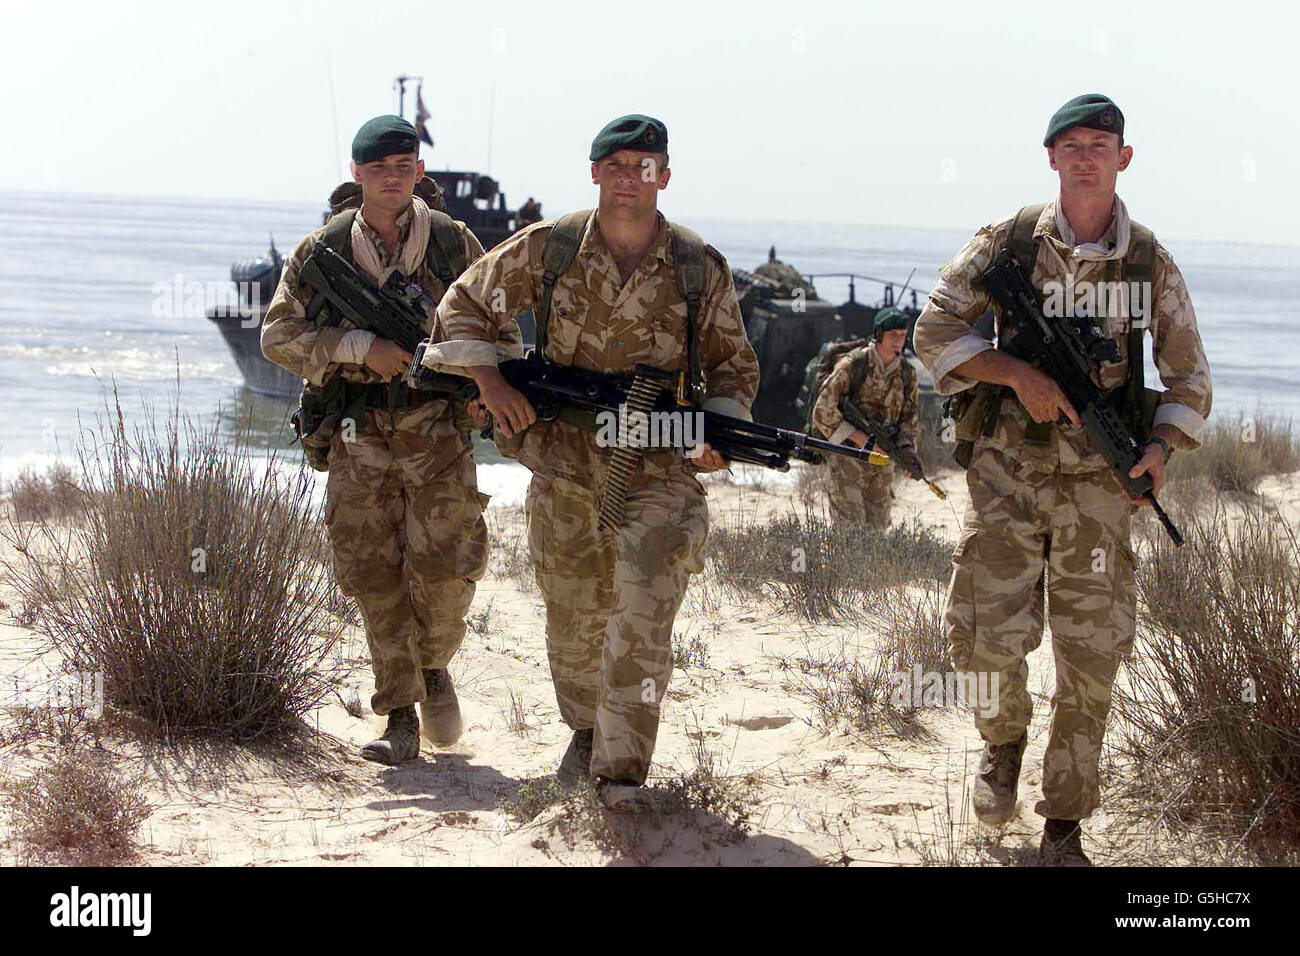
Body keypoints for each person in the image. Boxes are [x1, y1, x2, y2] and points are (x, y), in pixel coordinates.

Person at [420, 114, 759, 806]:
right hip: (565, 464)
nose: (630, 179)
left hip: (661, 471)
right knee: (573, 618)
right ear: (595, 171)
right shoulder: (551, 249)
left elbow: (732, 369)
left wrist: (719, 435)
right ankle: (585, 733)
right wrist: (491, 382)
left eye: (645, 166)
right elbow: (461, 308)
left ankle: (619, 774)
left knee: (639, 611)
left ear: (664, 176)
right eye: (617, 165)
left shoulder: (699, 266)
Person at [913, 94, 1212, 864]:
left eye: (1100, 143)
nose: (1085, 156)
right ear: (1051, 157)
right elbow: (935, 331)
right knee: (982, 636)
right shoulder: (1008, 243)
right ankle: (1002, 743)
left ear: (1124, 157)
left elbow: (1189, 378)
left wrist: (1160, 450)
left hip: (1099, 489)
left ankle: (1065, 824)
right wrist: (1015, 372)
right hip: (1007, 472)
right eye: (1071, 144)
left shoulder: (1148, 262)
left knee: (1091, 654)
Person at [262, 115, 509, 765]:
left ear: (419, 172)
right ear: (357, 174)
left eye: (404, 166)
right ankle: (399, 714)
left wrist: (488, 386)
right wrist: (357, 348)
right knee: (374, 577)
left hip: (436, 432)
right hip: (357, 432)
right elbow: (277, 337)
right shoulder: (323, 253)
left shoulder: (455, 246)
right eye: (378, 168)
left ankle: (433, 666)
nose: (392, 178)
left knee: (449, 570)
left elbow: (501, 329)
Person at [810, 307, 918, 527]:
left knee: (877, 530)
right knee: (849, 529)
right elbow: (822, 410)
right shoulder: (853, 365)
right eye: (893, 335)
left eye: (902, 335)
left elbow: (909, 419)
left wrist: (907, 451)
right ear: (878, 334)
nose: (898, 340)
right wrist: (863, 440)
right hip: (847, 458)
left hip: (883, 463)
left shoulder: (907, 373)